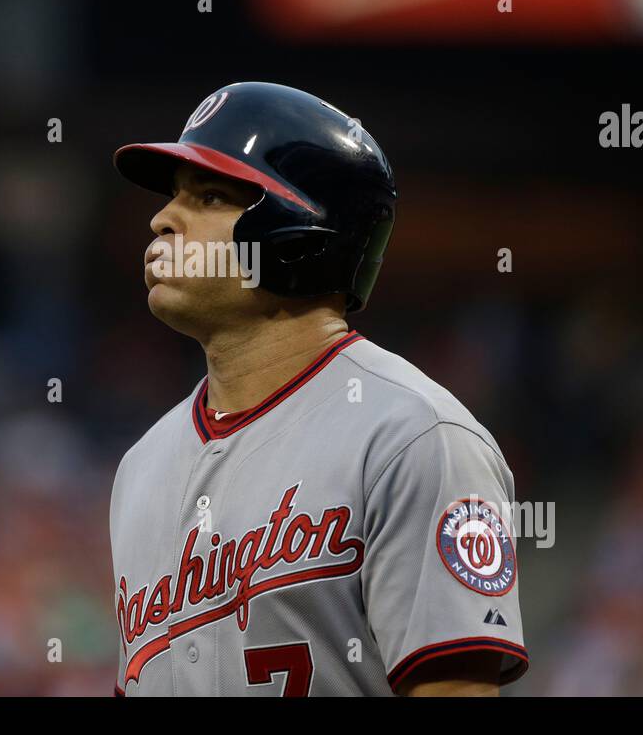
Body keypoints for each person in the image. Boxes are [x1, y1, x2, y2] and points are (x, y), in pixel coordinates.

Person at [108, 81, 528, 696]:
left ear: (293, 234)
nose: (163, 218)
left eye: (211, 196)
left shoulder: (412, 438)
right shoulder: (139, 467)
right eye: (175, 196)